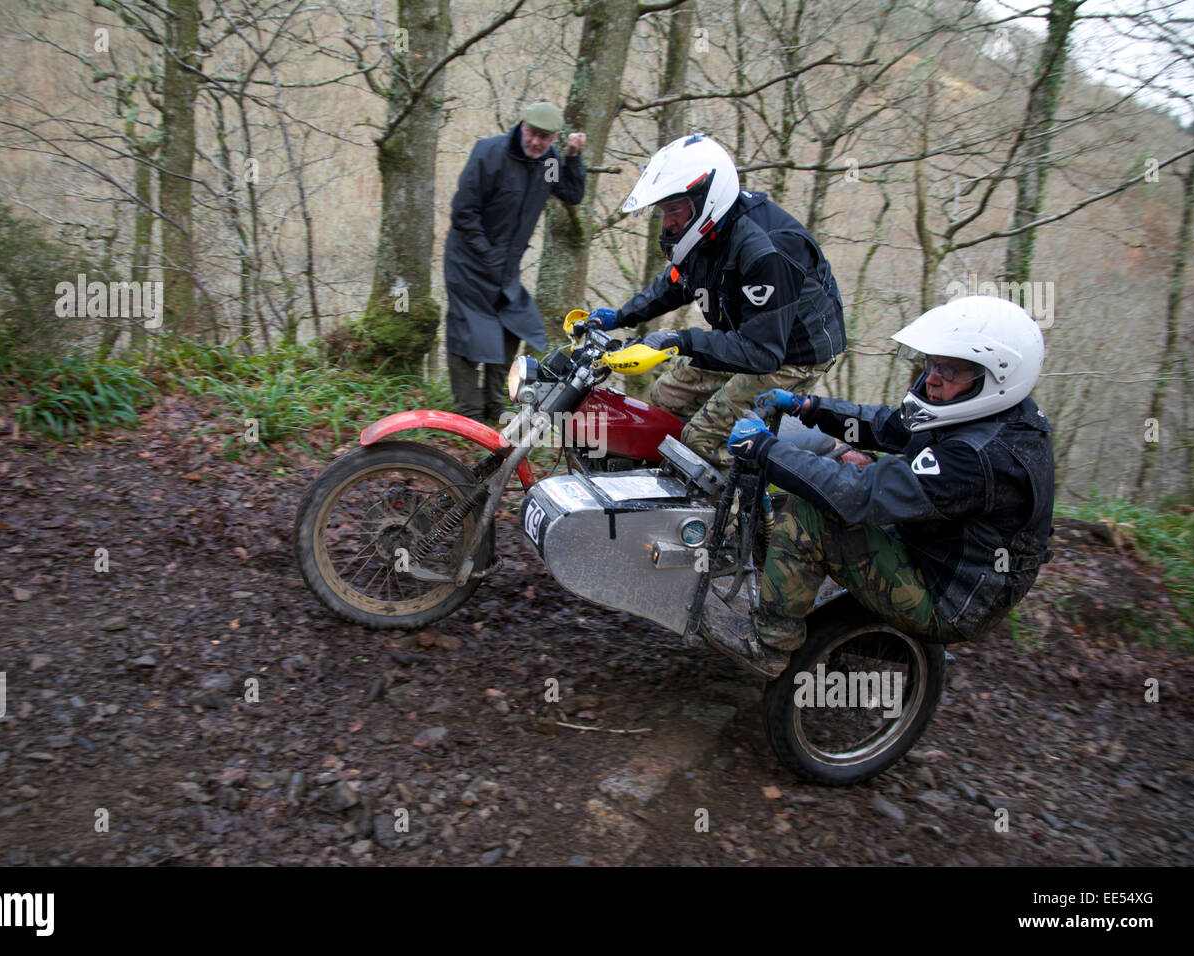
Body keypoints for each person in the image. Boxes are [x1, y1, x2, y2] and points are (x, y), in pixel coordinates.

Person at [705, 295, 1055, 679]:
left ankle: (768, 642)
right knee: (845, 462)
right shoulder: (979, 410)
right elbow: (890, 425)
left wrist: (765, 450)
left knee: (811, 513)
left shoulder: (982, 456)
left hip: (952, 595)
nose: (933, 378)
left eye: (950, 371)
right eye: (932, 363)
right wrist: (810, 407)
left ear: (996, 376)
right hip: (939, 547)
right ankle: (787, 591)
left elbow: (859, 497)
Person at [586, 134, 845, 465]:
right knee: (662, 399)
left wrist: (679, 340)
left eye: (674, 210)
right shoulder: (706, 233)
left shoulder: (766, 251)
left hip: (791, 355)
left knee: (700, 439)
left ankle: (736, 512)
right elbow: (676, 283)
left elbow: (764, 354)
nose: (668, 222)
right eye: (663, 211)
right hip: (747, 340)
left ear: (707, 198)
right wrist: (621, 315)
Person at [444, 102, 587, 423]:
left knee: (511, 327)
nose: (537, 142)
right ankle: (468, 415)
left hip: (504, 268)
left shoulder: (548, 161)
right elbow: (463, 213)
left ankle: (494, 405)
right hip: (467, 261)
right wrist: (489, 255)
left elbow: (571, 193)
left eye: (546, 137)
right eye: (534, 134)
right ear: (522, 125)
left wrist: (574, 158)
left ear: (554, 138)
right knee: (467, 333)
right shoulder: (489, 153)